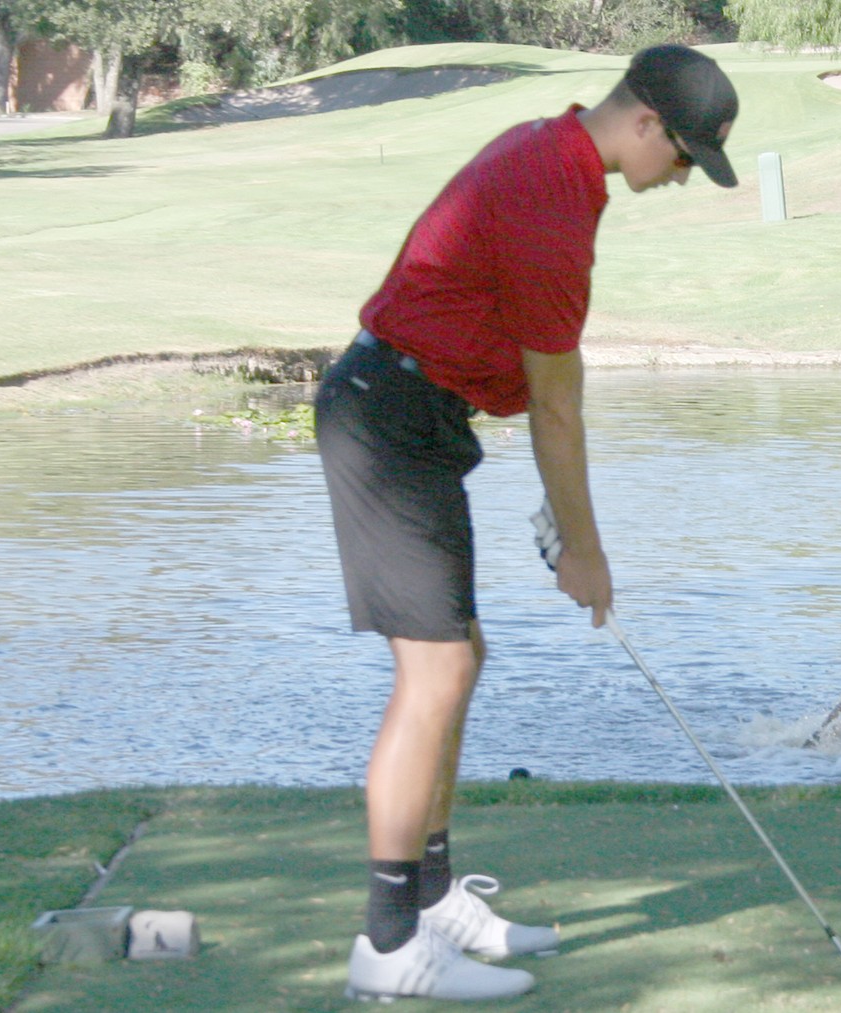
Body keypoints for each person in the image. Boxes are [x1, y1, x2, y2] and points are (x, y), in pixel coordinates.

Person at [313, 45, 739, 1002]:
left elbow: (537, 374)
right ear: (644, 126)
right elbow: (556, 401)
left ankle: (430, 901)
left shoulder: (554, 156)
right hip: (385, 417)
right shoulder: (553, 197)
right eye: (683, 157)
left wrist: (567, 514)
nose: (678, 179)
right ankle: (388, 949)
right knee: (438, 668)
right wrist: (584, 551)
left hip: (412, 413)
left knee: (463, 650)